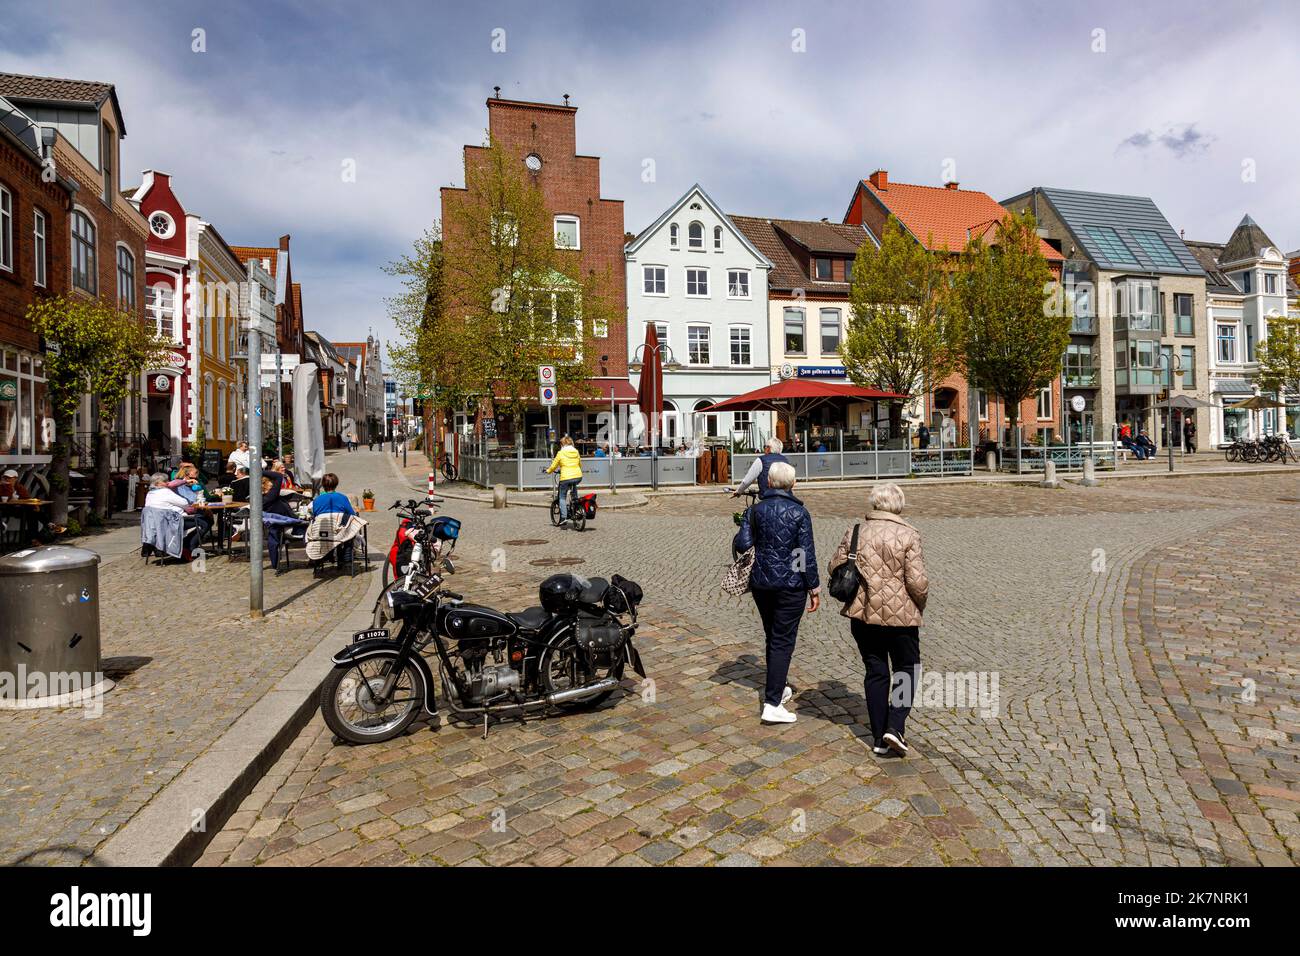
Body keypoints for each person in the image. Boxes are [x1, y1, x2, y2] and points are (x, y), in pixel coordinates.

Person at [828, 483, 928, 757]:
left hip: (863, 614)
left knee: (876, 671)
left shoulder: (856, 531)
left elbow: (833, 566)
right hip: (902, 617)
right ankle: (895, 727)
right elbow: (917, 582)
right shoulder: (909, 534)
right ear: (898, 505)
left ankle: (878, 739)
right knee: (907, 669)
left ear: (875, 503)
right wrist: (920, 604)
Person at [732, 461, 820, 725]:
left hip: (762, 583)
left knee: (773, 636)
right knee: (782, 640)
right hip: (790, 586)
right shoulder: (799, 513)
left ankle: (777, 687)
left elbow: (743, 543)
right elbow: (803, 555)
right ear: (792, 484)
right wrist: (812, 586)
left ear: (768, 482)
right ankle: (772, 704)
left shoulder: (755, 511)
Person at [145, 472, 208, 556]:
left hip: (157, 525)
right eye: (165, 481)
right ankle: (189, 548)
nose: (167, 482)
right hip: (173, 523)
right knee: (204, 523)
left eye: (167, 480)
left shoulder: (150, 494)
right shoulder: (165, 492)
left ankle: (185, 546)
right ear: (157, 483)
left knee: (200, 520)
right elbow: (184, 503)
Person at [311, 472, 358, 563]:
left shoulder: (317, 500)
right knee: (349, 529)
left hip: (322, 533)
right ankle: (344, 555)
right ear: (336, 484)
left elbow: (315, 515)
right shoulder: (342, 498)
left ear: (323, 485)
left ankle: (327, 554)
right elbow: (352, 514)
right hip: (340, 532)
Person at [546, 435, 583, 526]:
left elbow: (554, 465)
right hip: (578, 476)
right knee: (574, 490)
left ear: (563, 444)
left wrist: (548, 471)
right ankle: (576, 508)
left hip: (566, 477)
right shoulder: (576, 452)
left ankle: (564, 517)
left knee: (562, 497)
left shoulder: (560, 453)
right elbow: (580, 464)